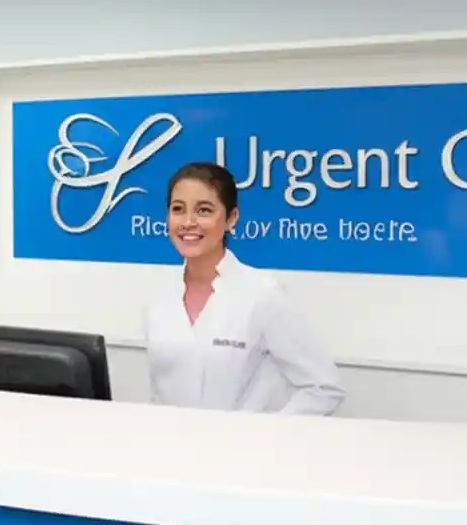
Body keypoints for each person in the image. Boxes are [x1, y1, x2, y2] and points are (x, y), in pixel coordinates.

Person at [144, 162, 346, 416]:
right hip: (169, 447)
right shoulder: (159, 294)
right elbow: (158, 391)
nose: (188, 222)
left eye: (204, 210)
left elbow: (324, 387)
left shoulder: (263, 294)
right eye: (177, 209)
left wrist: (262, 436)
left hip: (242, 451)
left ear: (231, 218)